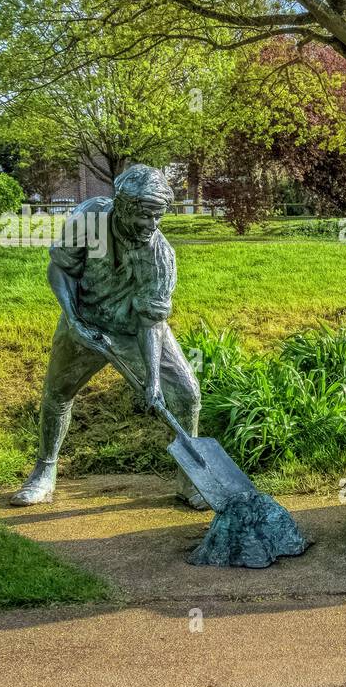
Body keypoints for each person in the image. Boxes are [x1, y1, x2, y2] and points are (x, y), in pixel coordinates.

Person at [11, 164, 206, 509]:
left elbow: (151, 322)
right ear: (122, 205)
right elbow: (60, 268)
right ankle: (44, 472)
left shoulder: (160, 255)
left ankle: (189, 482)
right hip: (84, 319)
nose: (151, 225)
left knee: (186, 393)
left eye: (158, 217)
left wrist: (153, 384)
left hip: (135, 331)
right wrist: (72, 319)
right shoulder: (90, 220)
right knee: (57, 393)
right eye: (144, 216)